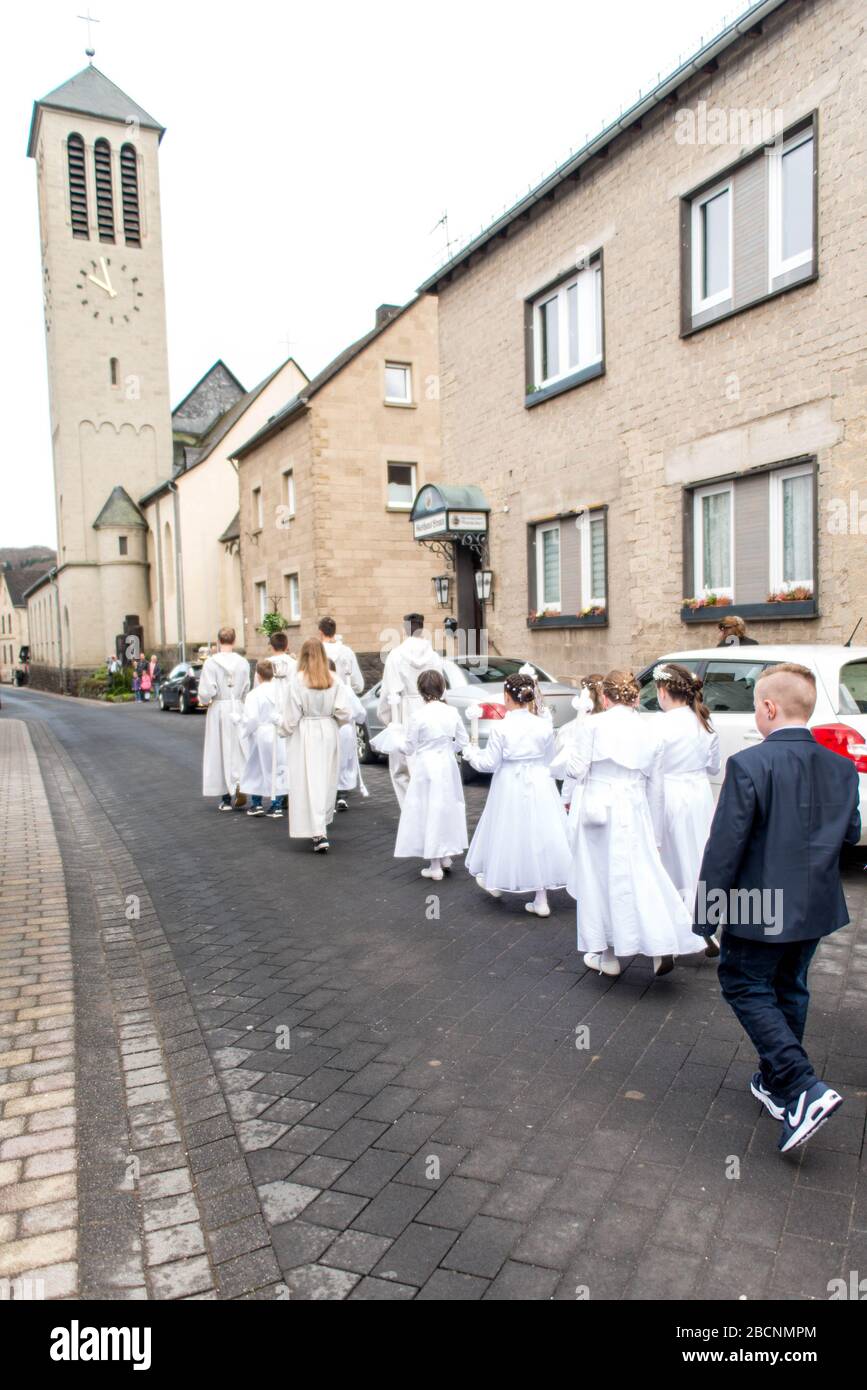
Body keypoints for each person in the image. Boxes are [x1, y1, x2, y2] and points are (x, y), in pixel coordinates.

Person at [693, 663, 860, 1154]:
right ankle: (776, 1084)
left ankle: (802, 1085)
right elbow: (849, 835)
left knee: (744, 983)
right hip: (816, 903)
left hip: (760, 901)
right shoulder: (841, 766)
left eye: (755, 706)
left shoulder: (749, 765)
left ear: (768, 708)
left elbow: (725, 848)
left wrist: (706, 915)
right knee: (790, 985)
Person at [566, 669, 704, 978]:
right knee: (643, 875)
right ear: (635, 698)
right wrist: (655, 832)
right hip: (635, 808)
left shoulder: (592, 724)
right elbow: (656, 786)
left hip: (599, 809)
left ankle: (608, 955)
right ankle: (660, 943)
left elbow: (576, 770)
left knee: (600, 880)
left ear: (604, 697)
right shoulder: (650, 730)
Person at [462, 672, 571, 917]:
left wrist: (470, 753)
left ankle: (496, 879)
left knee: (507, 831)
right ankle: (541, 898)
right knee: (539, 833)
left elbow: (489, 763)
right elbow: (550, 759)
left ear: (506, 697)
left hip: (509, 783)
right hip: (539, 780)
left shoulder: (502, 728)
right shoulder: (542, 724)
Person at [654, 663, 721, 957]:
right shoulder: (704, 723)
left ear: (664, 692)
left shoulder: (660, 725)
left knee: (669, 860)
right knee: (697, 856)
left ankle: (674, 928)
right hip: (700, 794)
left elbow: (649, 766)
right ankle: (703, 923)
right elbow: (714, 766)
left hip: (670, 794)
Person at [377, 669, 468, 880]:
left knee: (429, 808)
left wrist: (394, 736)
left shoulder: (418, 716)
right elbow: (462, 741)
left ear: (420, 691)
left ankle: (435, 864)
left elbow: (409, 748)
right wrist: (447, 751)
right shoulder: (451, 712)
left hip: (426, 766)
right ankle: (446, 854)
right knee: (447, 807)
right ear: (442, 688)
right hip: (447, 764)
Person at [276, 638, 353, 852]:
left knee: (309, 780)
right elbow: (345, 713)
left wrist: (281, 729)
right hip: (328, 730)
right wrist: (332, 720)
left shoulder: (298, 681)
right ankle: (321, 825)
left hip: (306, 732)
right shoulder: (334, 679)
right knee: (325, 780)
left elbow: (291, 716)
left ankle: (318, 831)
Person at [378, 614, 444, 807]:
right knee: (428, 764)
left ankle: (410, 811)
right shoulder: (434, 656)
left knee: (401, 770)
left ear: (404, 629)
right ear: (421, 628)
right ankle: (429, 807)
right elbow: (442, 687)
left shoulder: (396, 655)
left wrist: (388, 719)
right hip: (430, 711)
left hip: (404, 712)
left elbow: (388, 692)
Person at [197, 626, 251, 811]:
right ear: (234, 641)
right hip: (238, 707)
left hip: (220, 708)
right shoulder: (243, 662)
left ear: (219, 641)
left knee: (221, 750)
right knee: (239, 749)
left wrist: (206, 700)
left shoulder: (211, 663)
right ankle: (241, 783)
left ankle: (226, 798)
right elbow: (246, 688)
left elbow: (206, 692)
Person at [550, 673, 604, 818]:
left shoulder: (570, 729)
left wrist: (566, 797)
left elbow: (566, 762)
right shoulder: (611, 726)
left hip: (578, 791)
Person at [240, 660, 289, 817]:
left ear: (258, 675)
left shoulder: (254, 694)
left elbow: (252, 718)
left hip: (261, 733)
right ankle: (277, 803)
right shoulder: (282, 691)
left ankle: (257, 803)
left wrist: (244, 730)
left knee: (258, 768)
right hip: (278, 733)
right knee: (278, 767)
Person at [265, 632, 296, 815]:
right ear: (286, 645)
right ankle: (289, 793)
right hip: (290, 712)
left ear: (271, 646)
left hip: (272, 713)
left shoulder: (266, 664)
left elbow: (258, 687)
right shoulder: (294, 664)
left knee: (275, 759)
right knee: (288, 756)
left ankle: (278, 795)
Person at [319, 617, 364, 694]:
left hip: (323, 701)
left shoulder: (317, 653)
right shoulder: (347, 652)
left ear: (320, 632)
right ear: (334, 631)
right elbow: (358, 685)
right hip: (344, 702)